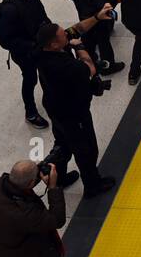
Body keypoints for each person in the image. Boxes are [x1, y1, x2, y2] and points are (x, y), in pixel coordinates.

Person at [37, 22, 117, 199]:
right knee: (86, 149)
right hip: (74, 114)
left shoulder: (41, 52)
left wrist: (97, 17)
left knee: (63, 145)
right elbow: (90, 68)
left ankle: (57, 177)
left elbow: (74, 30)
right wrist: (80, 46)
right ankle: (92, 185)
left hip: (55, 108)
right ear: (54, 44)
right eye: (62, 36)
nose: (66, 35)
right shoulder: (65, 67)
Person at [0, 0, 53, 129]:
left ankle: (49, 100)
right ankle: (30, 112)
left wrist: (51, 31)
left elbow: (43, 17)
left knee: (46, 73)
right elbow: (4, 39)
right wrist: (30, 45)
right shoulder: (10, 10)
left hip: (39, 46)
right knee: (30, 78)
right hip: (24, 53)